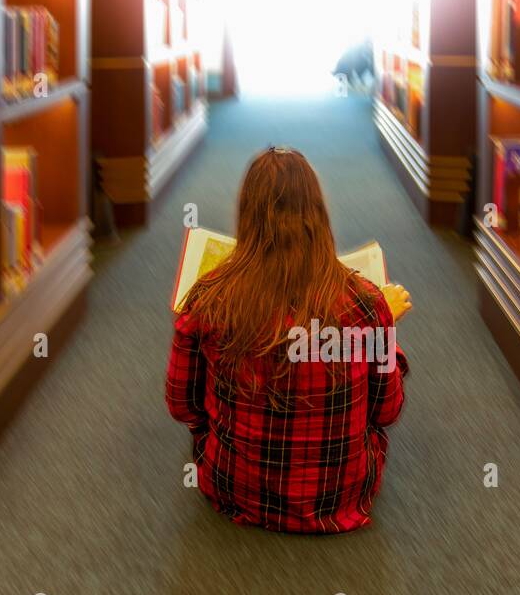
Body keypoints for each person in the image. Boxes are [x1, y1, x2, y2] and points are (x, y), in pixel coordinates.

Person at [166, 147, 411, 533]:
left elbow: (182, 405)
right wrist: (387, 330)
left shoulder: (209, 298)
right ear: (318, 215)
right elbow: (387, 412)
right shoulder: (366, 305)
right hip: (339, 498)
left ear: (247, 216)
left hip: (232, 488)